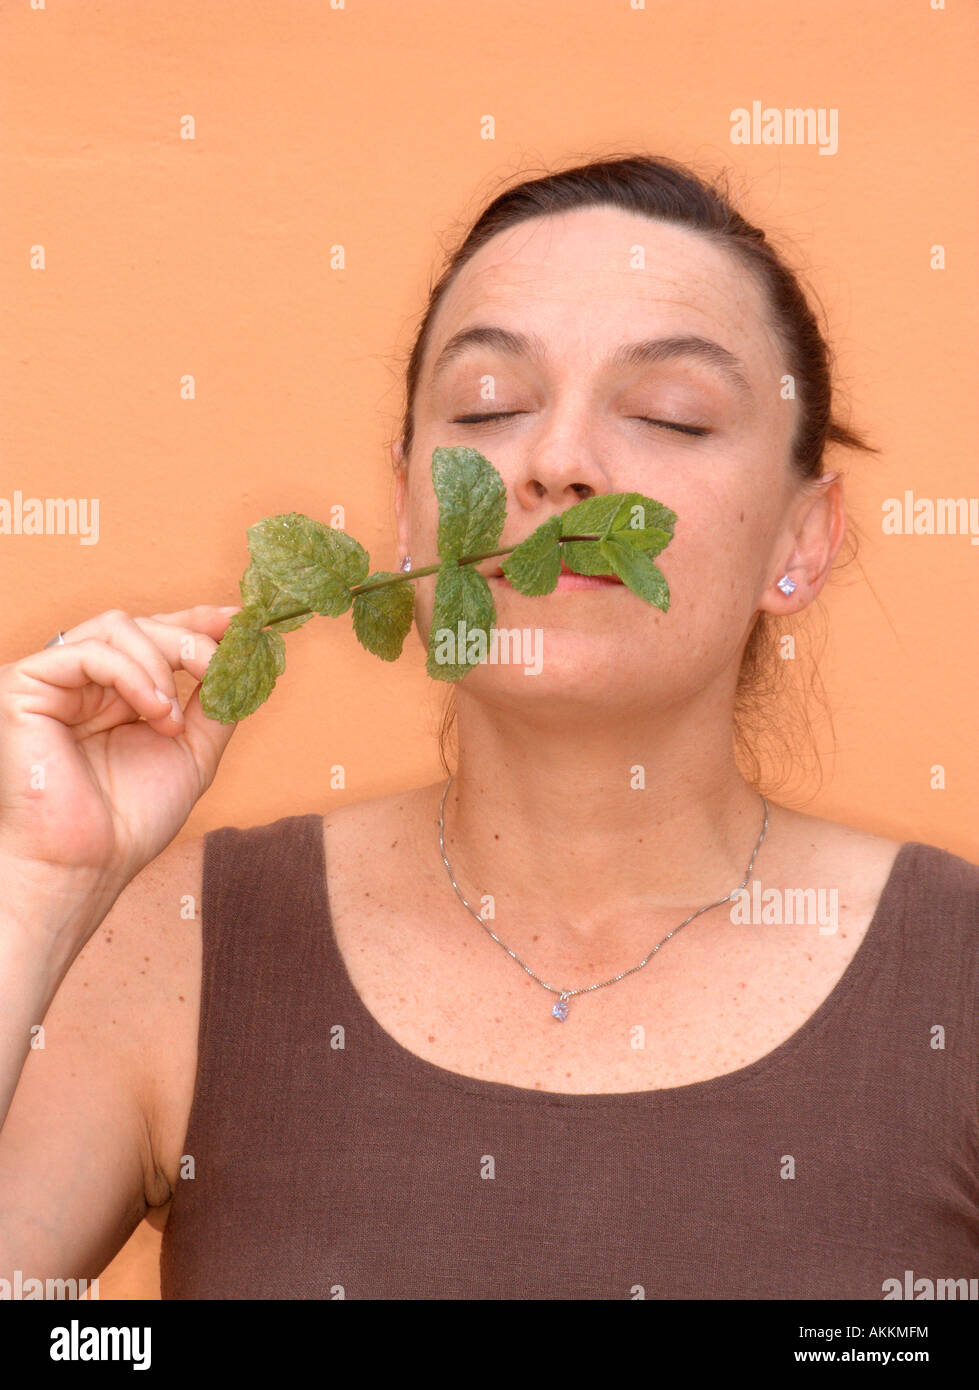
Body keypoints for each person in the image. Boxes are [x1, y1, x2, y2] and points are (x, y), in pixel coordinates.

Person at [1, 155, 977, 1301]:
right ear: (409, 499)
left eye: (670, 413)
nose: (556, 463)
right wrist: (37, 881)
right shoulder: (176, 949)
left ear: (801, 544)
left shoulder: (953, 975)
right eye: (488, 407)